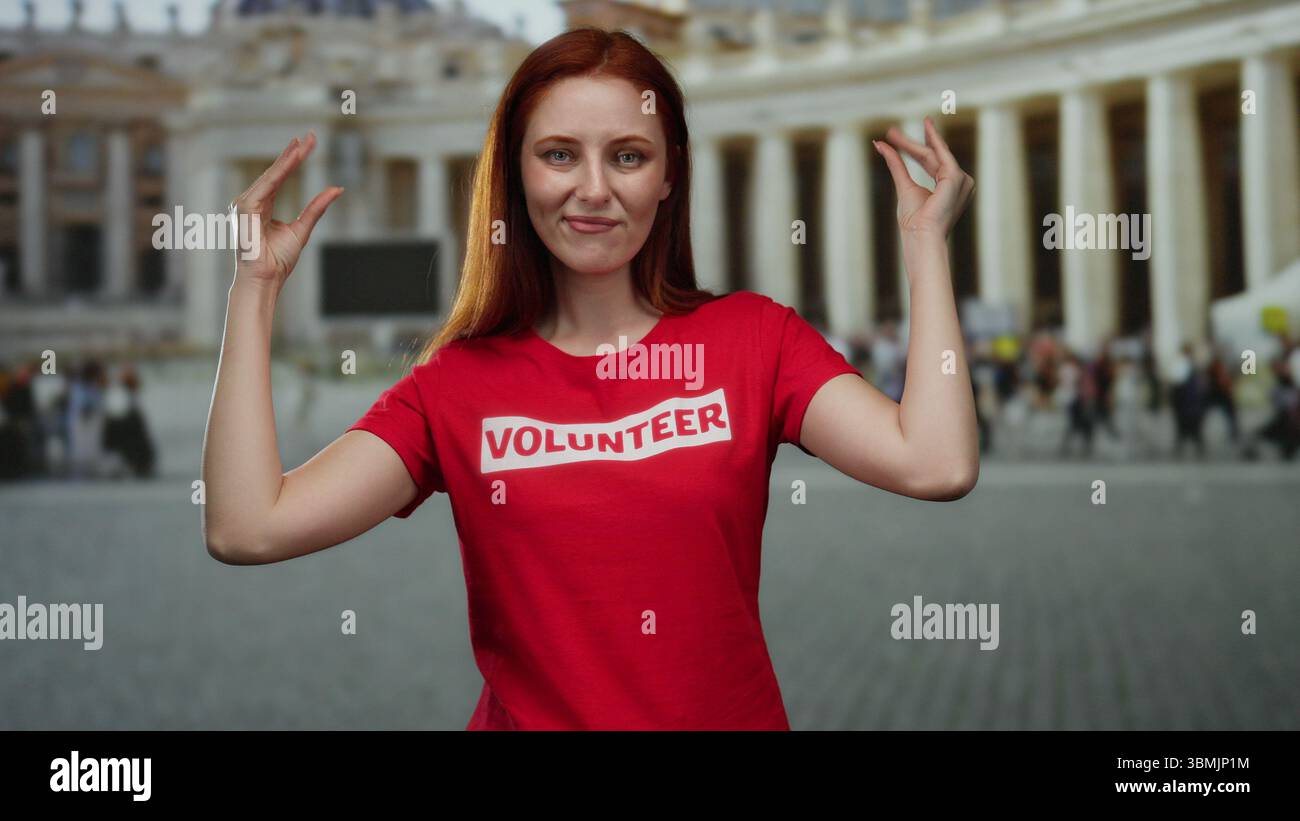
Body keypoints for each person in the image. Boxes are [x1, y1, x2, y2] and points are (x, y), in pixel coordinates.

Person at [200, 28, 979, 730]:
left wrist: (924, 246)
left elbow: (936, 463)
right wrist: (255, 288)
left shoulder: (752, 338)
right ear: (516, 173)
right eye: (560, 153)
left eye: (629, 155)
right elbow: (247, 527)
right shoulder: (457, 383)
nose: (595, 189)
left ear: (670, 175)